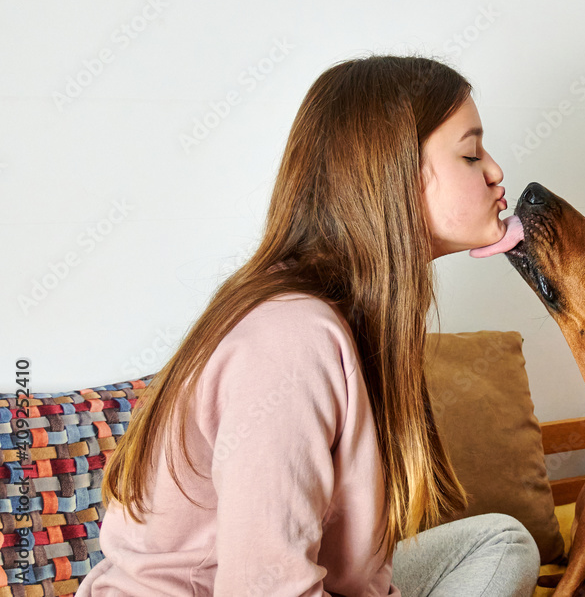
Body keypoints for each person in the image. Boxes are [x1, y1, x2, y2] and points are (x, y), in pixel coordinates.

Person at [76, 55, 540, 596]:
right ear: (393, 173)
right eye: (470, 152)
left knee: (499, 542)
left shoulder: (355, 317)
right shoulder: (291, 339)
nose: (495, 171)